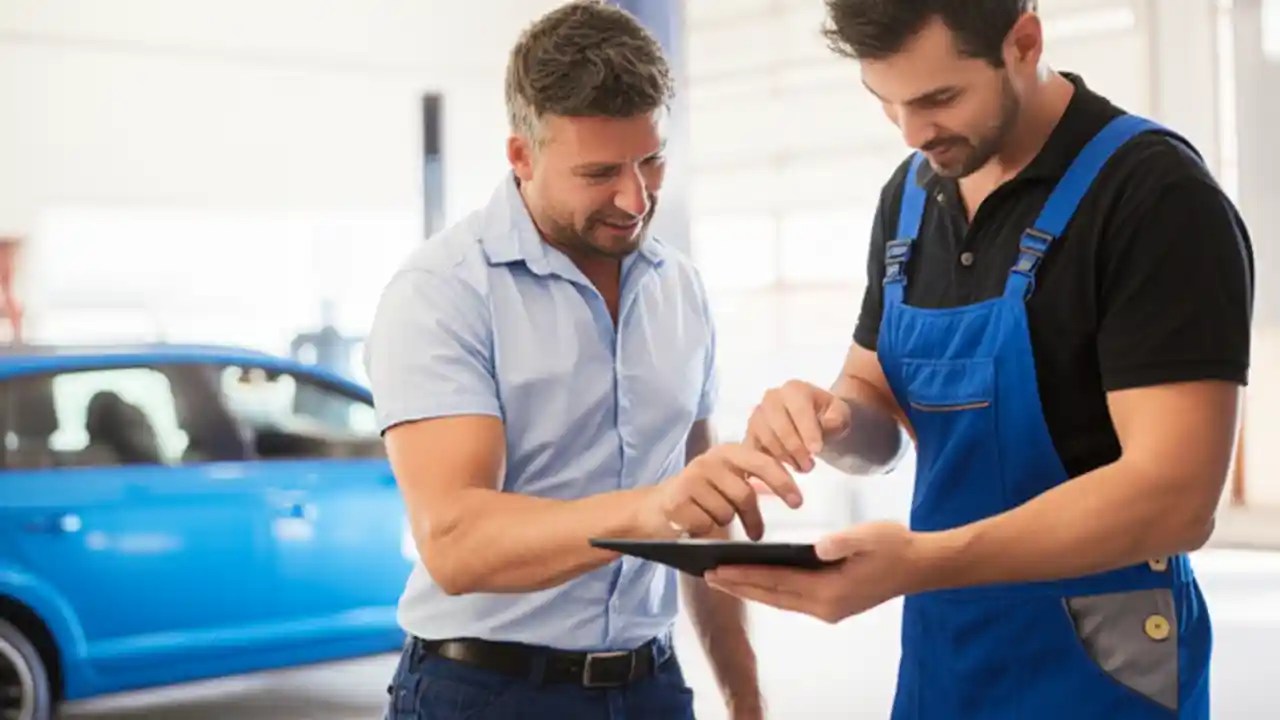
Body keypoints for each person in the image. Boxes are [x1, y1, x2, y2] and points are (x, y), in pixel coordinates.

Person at [706, 1, 1254, 718]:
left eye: (939, 98)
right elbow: (875, 398)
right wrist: (833, 420)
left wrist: (923, 562)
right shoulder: (909, 197)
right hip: (947, 655)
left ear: (1024, 42)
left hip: (1101, 672)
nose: (911, 132)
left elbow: (1176, 499)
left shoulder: (1155, 198)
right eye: (887, 103)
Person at [364, 2, 794, 718]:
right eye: (599, 172)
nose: (635, 197)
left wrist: (746, 702)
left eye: (651, 160)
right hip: (485, 693)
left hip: (653, 686)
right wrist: (651, 508)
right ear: (522, 156)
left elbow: (703, 514)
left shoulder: (678, 286)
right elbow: (457, 542)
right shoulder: (443, 291)